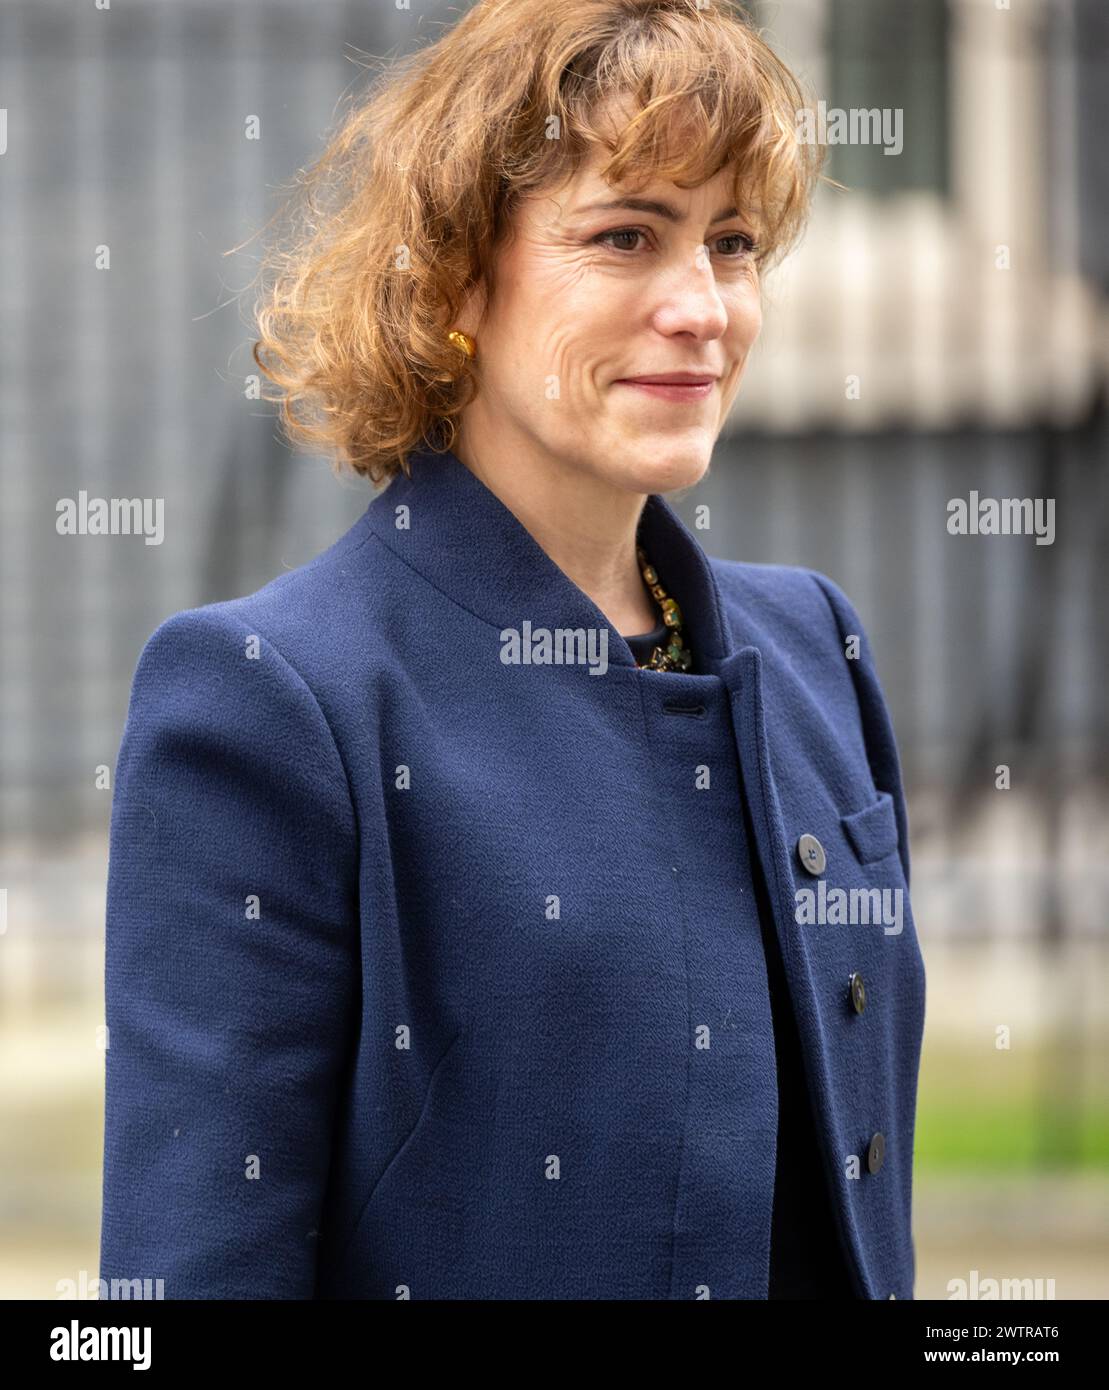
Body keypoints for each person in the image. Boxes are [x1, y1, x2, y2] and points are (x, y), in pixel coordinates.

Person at [99, 0, 926, 1300]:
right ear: (453, 285)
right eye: (623, 237)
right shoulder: (273, 699)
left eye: (730, 242)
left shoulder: (813, 642)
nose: (701, 306)